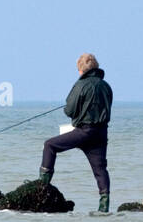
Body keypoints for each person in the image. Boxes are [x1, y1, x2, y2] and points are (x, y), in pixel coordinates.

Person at [38, 53, 113, 212]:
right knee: (100, 169)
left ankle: (41, 187)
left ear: (81, 70)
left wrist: (68, 108)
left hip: (84, 132)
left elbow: (70, 110)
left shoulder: (80, 85)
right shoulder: (106, 86)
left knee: (49, 145)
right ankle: (104, 206)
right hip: (101, 133)